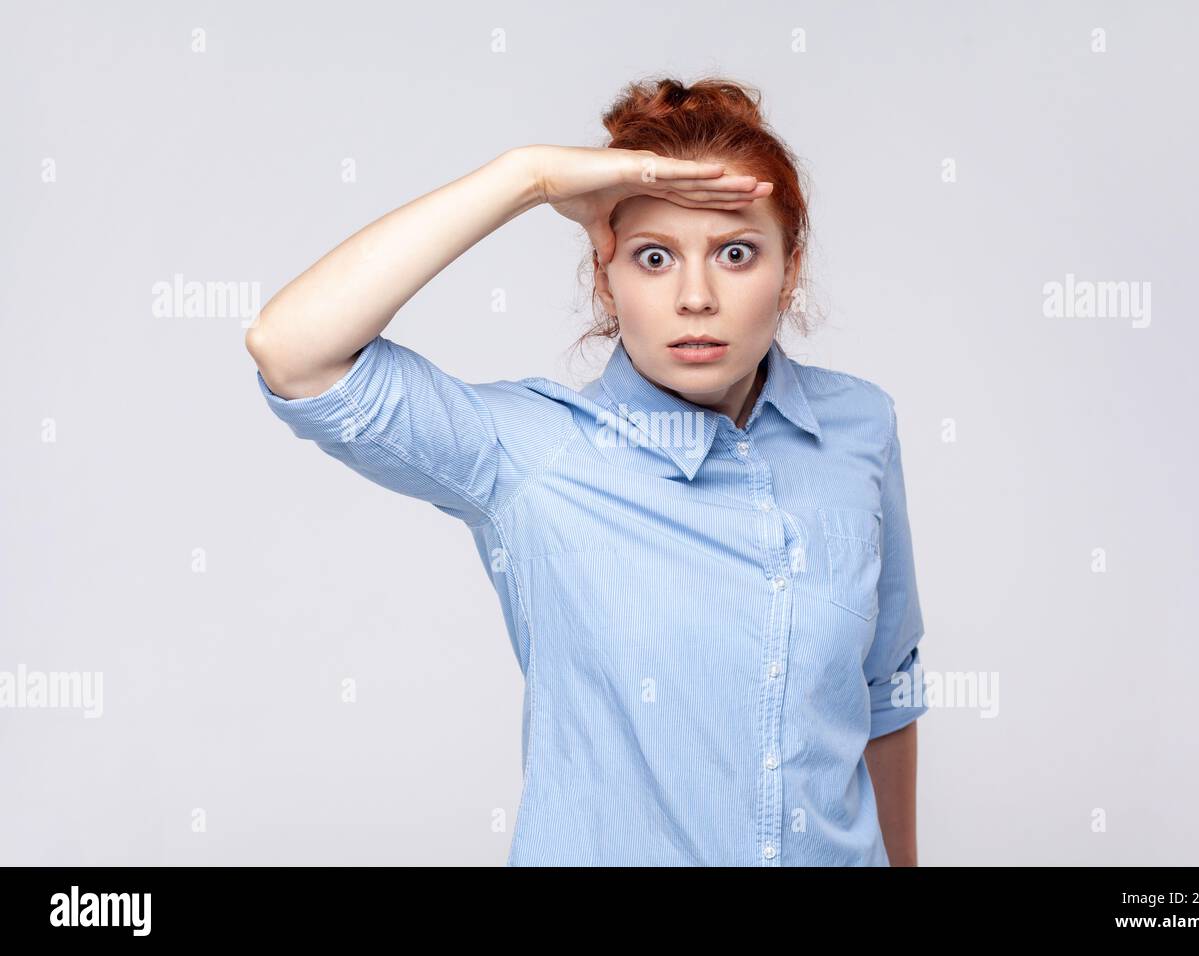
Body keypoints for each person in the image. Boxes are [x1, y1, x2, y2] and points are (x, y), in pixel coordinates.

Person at [246, 76, 928, 866]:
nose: (696, 296)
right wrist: (528, 177)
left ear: (790, 268)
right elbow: (291, 350)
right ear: (606, 277)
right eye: (654, 257)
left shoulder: (860, 428)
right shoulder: (534, 454)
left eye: (736, 253)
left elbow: (886, 688)